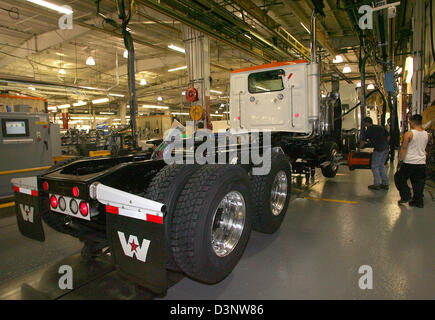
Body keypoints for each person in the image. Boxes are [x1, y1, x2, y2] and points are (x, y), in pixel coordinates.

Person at [394, 114, 430, 208]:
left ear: (413, 122)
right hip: (421, 163)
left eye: (410, 121)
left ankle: (406, 196)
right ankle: (418, 202)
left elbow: (404, 148)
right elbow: (425, 148)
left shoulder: (409, 134)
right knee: (418, 182)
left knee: (399, 178)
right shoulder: (427, 134)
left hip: (409, 162)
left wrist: (400, 162)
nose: (409, 123)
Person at [359, 117, 390, 190]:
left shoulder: (369, 130)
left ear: (366, 123)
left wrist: (359, 147)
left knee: (374, 166)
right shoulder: (380, 127)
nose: (364, 125)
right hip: (386, 148)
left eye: (364, 123)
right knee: (381, 165)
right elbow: (388, 136)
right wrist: (385, 143)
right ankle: (385, 184)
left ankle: (376, 184)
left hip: (379, 150)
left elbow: (363, 141)